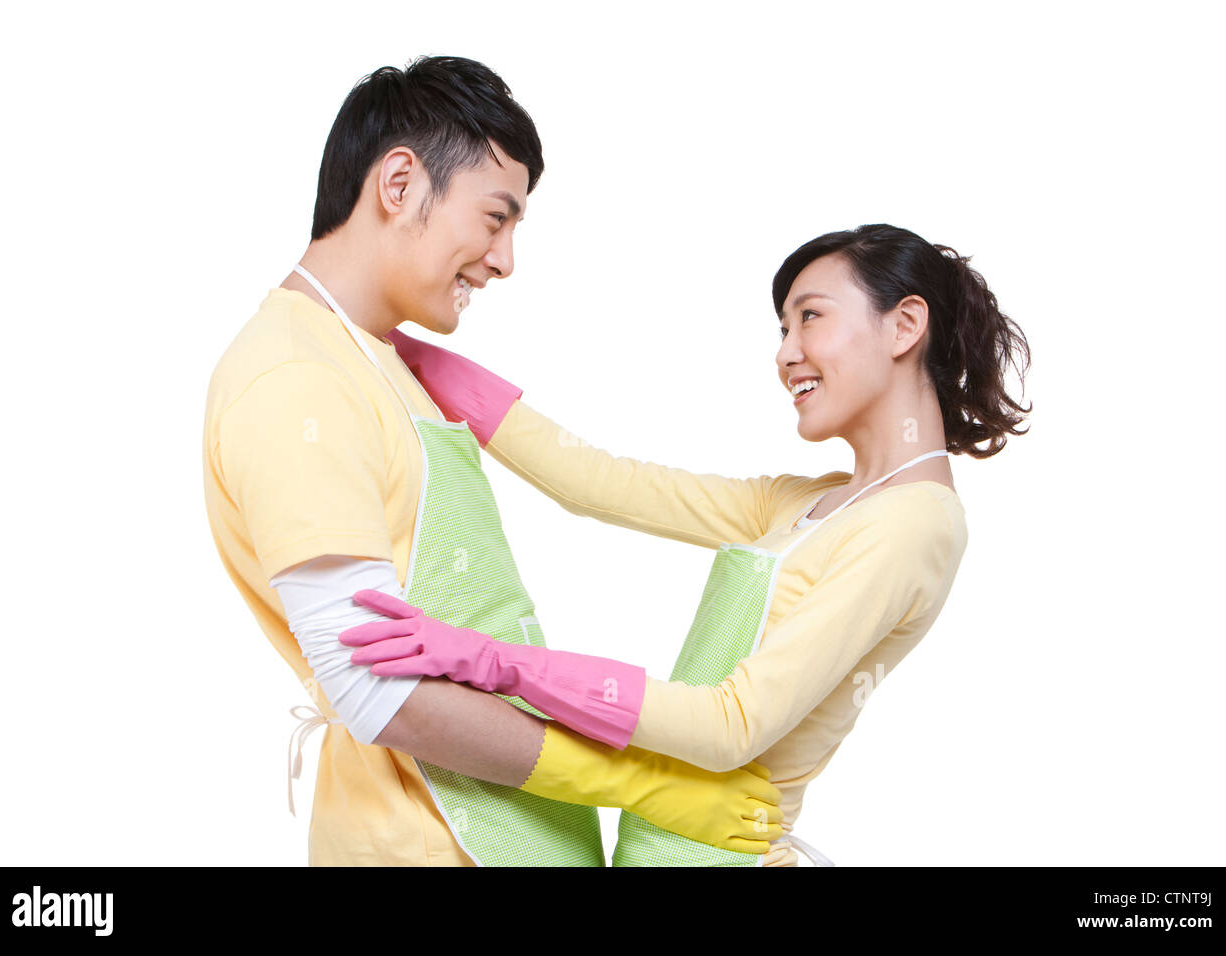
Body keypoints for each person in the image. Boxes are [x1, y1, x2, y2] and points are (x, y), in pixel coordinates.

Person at [202, 56, 783, 867]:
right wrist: (642, 782)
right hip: (425, 843)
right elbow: (376, 689)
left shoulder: (375, 359)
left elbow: (601, 486)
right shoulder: (297, 377)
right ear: (399, 185)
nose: (505, 259)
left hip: (513, 837)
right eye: (495, 217)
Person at [338, 223, 1033, 866]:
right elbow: (597, 483)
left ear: (905, 325)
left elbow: (732, 724)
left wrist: (498, 665)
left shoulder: (916, 524)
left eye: (810, 317)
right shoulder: (804, 501)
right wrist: (389, 339)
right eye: (783, 328)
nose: (786, 354)